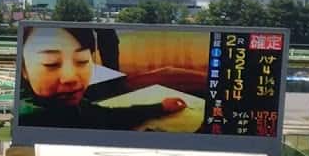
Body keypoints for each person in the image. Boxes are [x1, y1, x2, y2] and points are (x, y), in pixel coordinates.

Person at [18, 26, 188, 130]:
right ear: (23, 69)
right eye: (51, 63)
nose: (70, 77)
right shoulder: (31, 116)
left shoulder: (71, 107)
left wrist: (161, 107)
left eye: (82, 61)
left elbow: (109, 117)